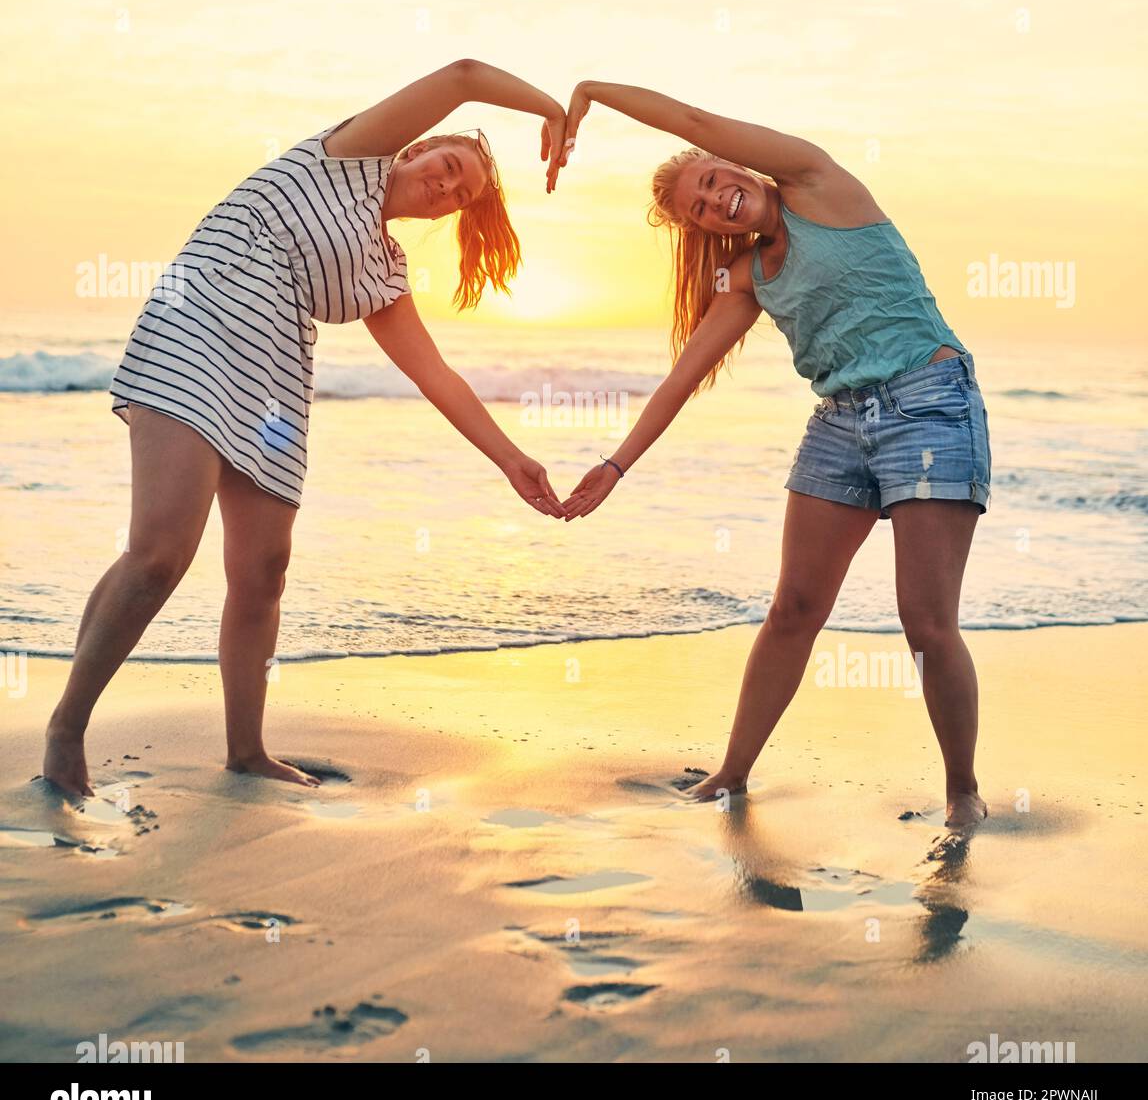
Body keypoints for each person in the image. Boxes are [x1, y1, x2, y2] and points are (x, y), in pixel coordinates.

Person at [44, 60, 568, 796]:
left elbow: (435, 375)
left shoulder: (383, 270)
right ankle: (67, 730)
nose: (448, 189)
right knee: (161, 553)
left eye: (463, 195)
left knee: (263, 572)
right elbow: (464, 74)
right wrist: (551, 109)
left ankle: (247, 751)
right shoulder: (345, 157)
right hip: (194, 336)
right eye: (448, 166)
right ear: (415, 148)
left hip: (275, 392)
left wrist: (511, 458)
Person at [559, 79, 992, 828]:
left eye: (712, 178)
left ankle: (962, 792)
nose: (715, 196)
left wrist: (594, 92)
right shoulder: (752, 277)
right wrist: (615, 465)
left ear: (735, 166)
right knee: (792, 609)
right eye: (699, 205)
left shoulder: (816, 183)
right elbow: (681, 378)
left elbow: (694, 119)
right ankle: (730, 774)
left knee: (925, 621)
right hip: (838, 421)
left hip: (929, 401)